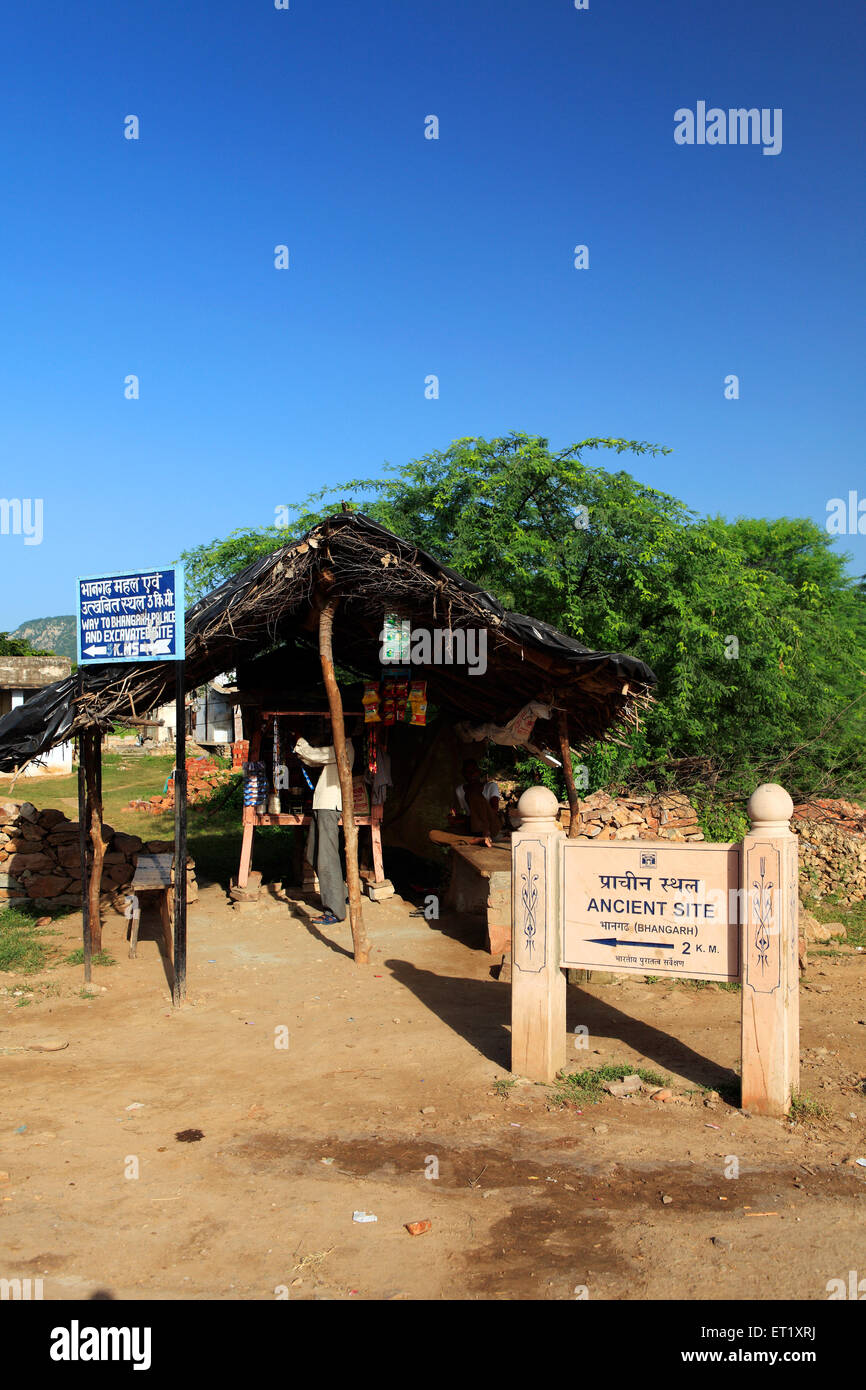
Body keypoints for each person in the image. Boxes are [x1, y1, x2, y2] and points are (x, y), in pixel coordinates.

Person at [294, 726, 355, 925]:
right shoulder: (337, 748)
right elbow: (312, 759)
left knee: (326, 858)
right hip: (323, 805)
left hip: (330, 806)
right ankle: (342, 894)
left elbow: (314, 755)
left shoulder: (343, 747)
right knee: (313, 854)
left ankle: (334, 911)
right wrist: (301, 748)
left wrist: (300, 740)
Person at [455, 759, 501, 840]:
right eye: (468, 772)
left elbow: (494, 810)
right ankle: (479, 836)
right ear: (463, 774)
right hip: (473, 826)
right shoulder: (460, 790)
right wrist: (456, 819)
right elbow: (469, 814)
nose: (472, 774)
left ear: (479, 772)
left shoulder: (491, 786)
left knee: (473, 795)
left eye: (474, 771)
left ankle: (485, 834)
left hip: (491, 826)